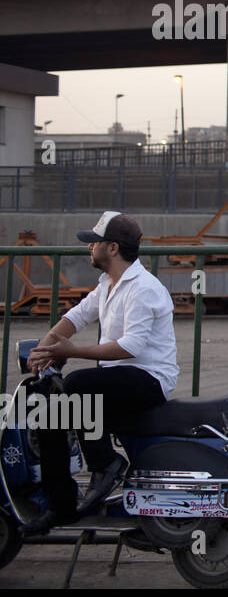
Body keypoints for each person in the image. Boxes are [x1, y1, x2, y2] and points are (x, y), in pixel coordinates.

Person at [20, 211, 177, 534]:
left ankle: (105, 463)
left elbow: (131, 346)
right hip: (114, 381)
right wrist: (45, 348)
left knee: (77, 382)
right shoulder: (108, 283)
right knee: (49, 419)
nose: (89, 248)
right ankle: (61, 508)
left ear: (113, 248)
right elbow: (76, 317)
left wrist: (70, 352)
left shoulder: (143, 287)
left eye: (94, 243)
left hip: (148, 379)